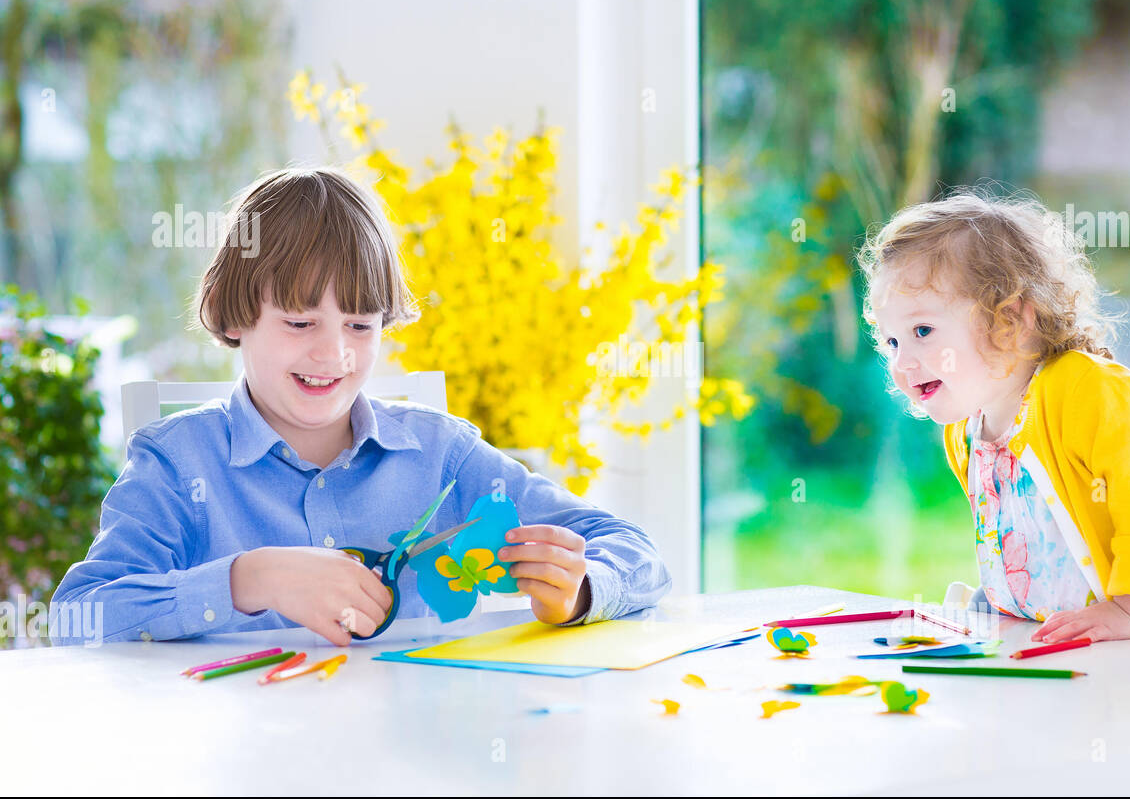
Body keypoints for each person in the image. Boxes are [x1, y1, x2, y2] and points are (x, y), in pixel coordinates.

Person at [53, 166, 670, 645]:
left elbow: (634, 550)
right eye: (299, 322)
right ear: (236, 314)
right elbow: (78, 618)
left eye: (359, 325)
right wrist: (250, 577)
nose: (334, 355)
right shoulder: (178, 462)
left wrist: (580, 589)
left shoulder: (441, 456)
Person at [859, 189, 1130, 651]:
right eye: (891, 341)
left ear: (1010, 320)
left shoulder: (1085, 389)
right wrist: (997, 601)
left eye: (922, 331)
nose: (901, 362)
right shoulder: (965, 431)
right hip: (1068, 651)